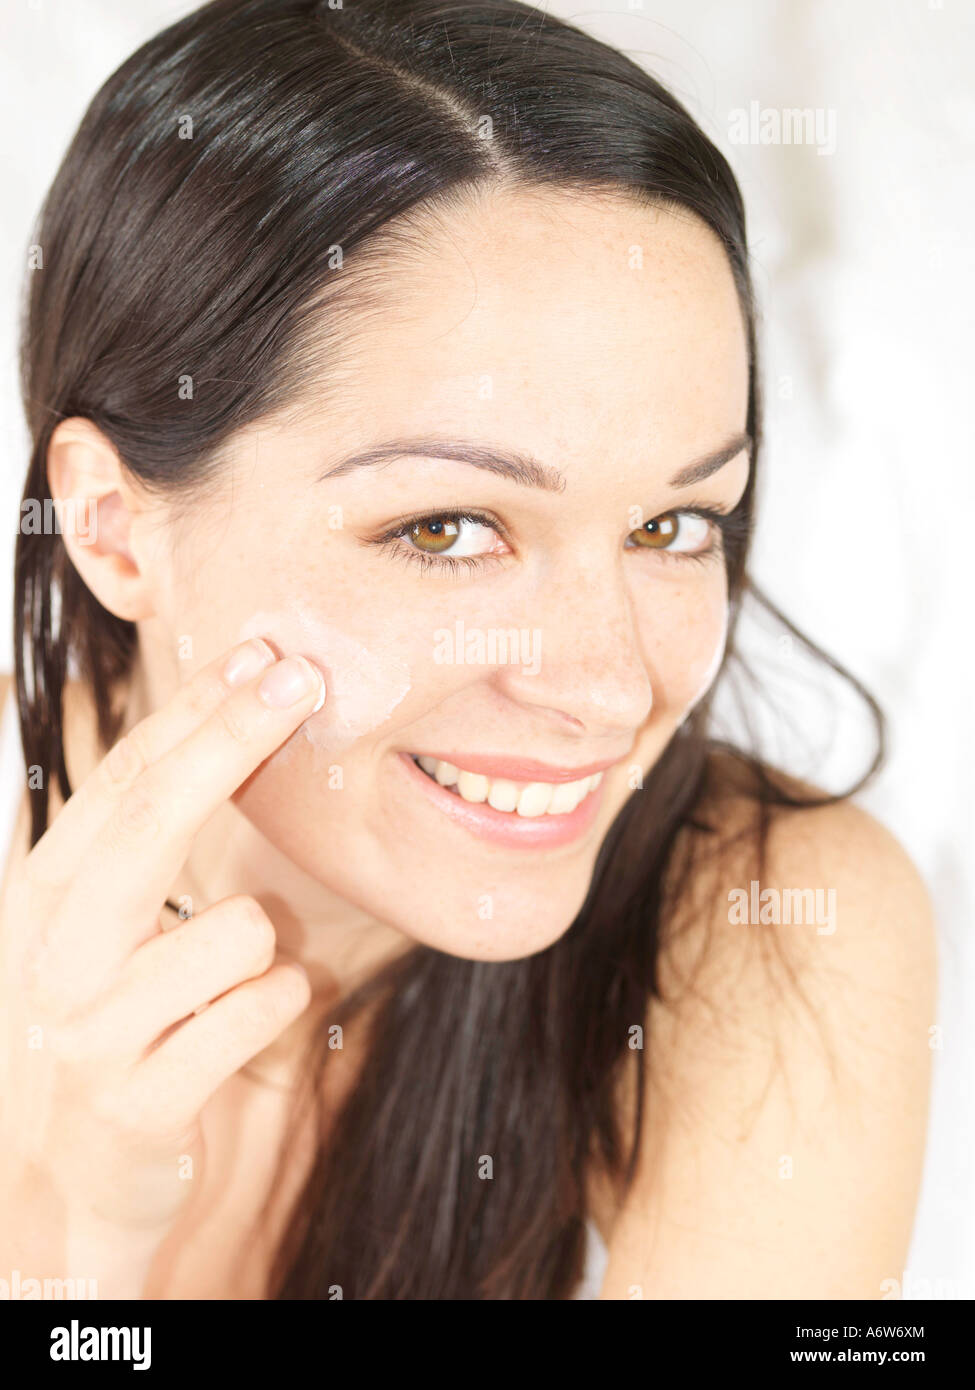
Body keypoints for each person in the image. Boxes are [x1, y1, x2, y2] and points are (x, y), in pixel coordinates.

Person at [0, 0, 935, 1300]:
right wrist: (62, 1239)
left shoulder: (760, 925)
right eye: (445, 526)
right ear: (110, 526)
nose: (607, 684)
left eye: (673, 522)